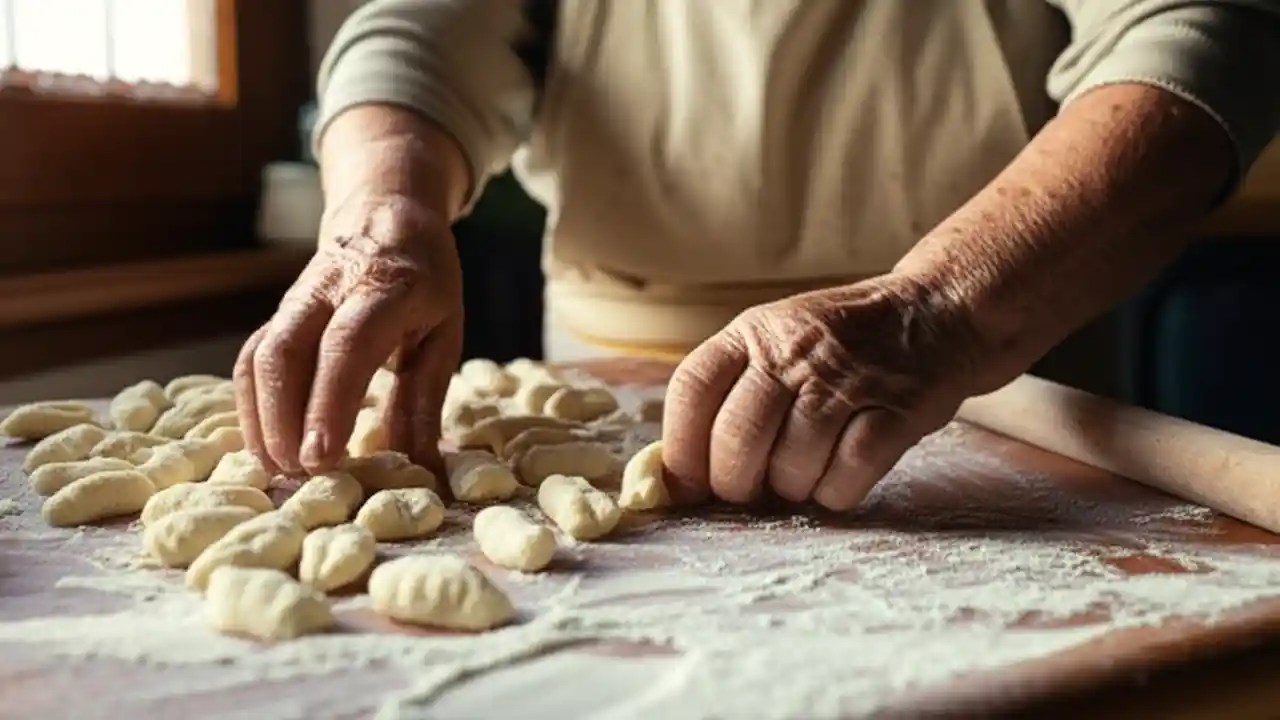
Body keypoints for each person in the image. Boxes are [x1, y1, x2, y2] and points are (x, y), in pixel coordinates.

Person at [235, 0, 1280, 510]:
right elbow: (418, 26)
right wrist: (378, 210)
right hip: (605, 384)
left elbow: (1200, 33)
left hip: (995, 373)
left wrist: (937, 310)